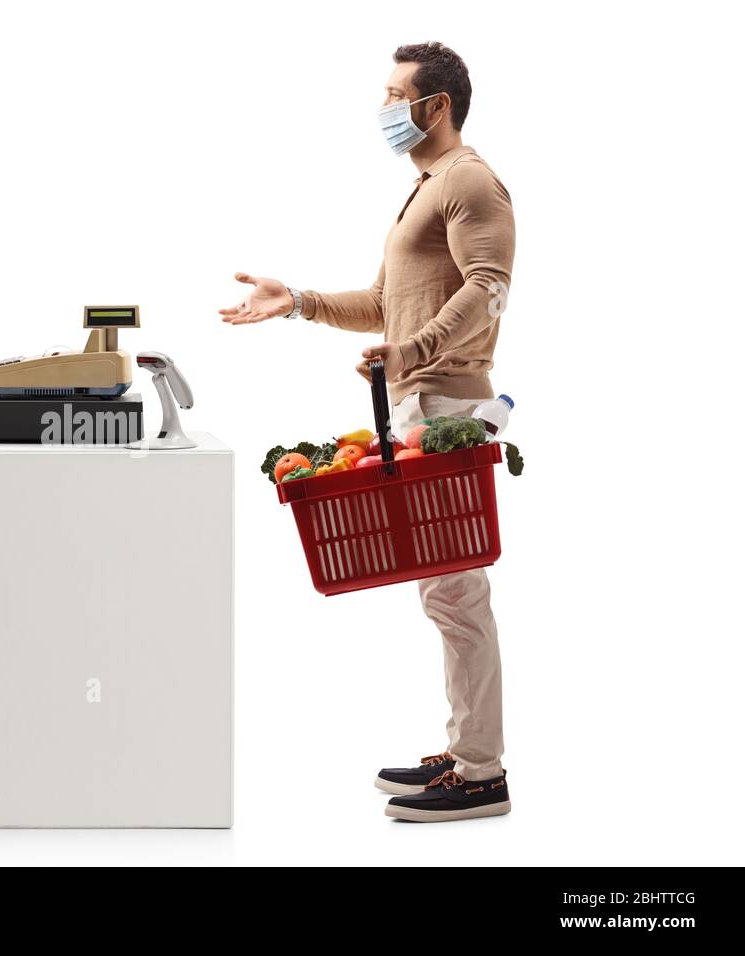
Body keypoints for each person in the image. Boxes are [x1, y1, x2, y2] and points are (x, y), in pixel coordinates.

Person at [219, 43, 514, 822]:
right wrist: (301, 301)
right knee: (446, 593)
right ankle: (466, 754)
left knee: (458, 592)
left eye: (394, 94)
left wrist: (414, 353)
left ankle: (482, 773)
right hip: (424, 402)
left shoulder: (470, 181)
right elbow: (389, 304)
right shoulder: (425, 188)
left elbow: (489, 289)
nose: (383, 108)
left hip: (450, 406)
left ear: (437, 105)